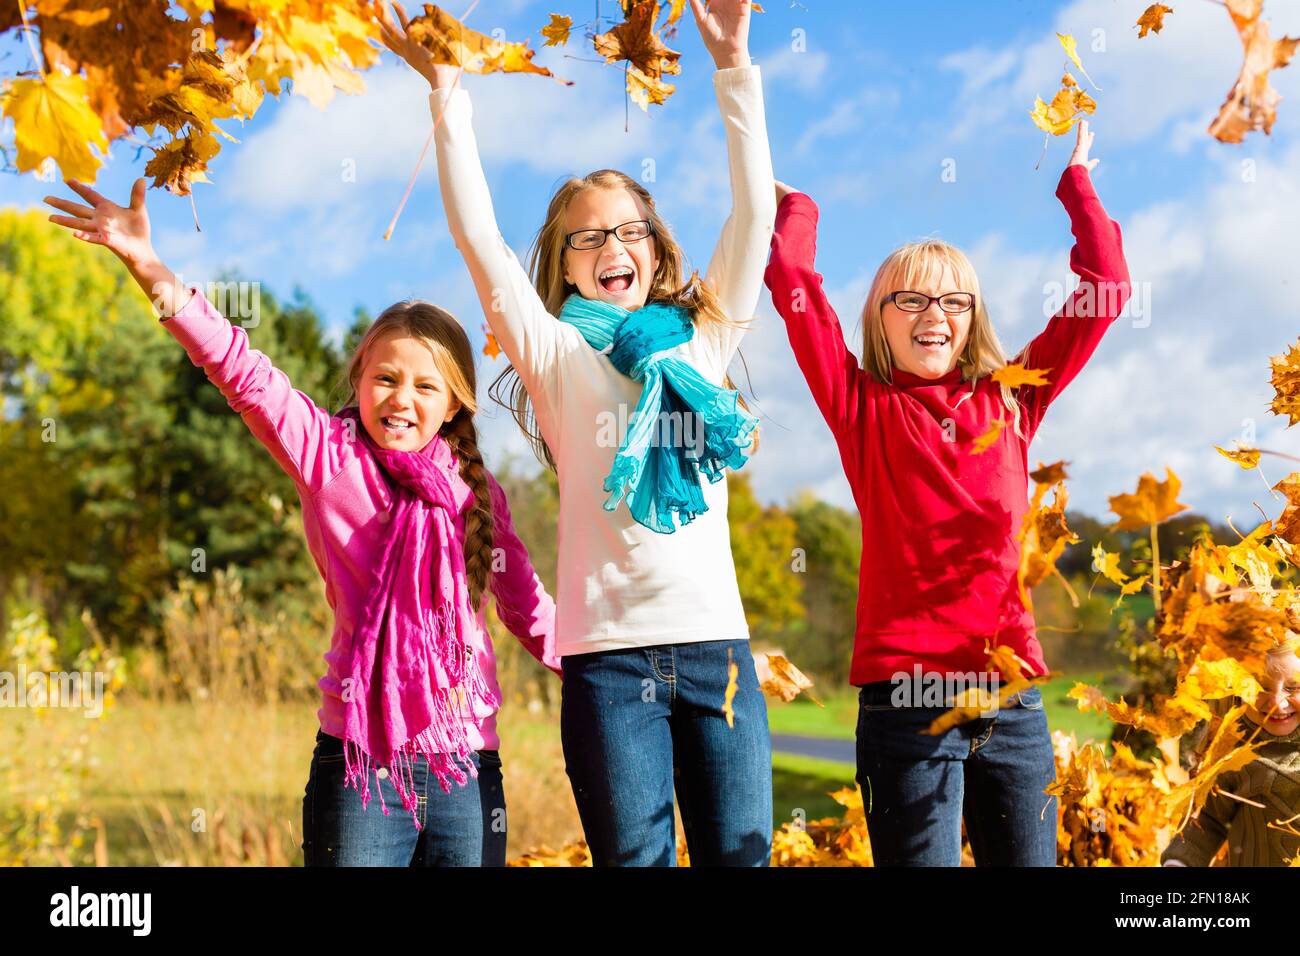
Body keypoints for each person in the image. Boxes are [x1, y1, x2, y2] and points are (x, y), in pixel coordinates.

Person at [43, 177, 560, 867]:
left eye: (425, 386)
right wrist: (147, 265)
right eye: (386, 378)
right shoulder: (328, 456)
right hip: (360, 768)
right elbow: (240, 369)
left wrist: (611, 668)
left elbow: (530, 611)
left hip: (468, 769)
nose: (401, 399)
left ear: (454, 405)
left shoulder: (476, 492)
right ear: (359, 378)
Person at [377, 0, 776, 865]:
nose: (611, 245)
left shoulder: (704, 344)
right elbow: (480, 239)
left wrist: (733, 70)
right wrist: (448, 93)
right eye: (588, 237)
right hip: (607, 669)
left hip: (720, 654)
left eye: (628, 229)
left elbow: (753, 223)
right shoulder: (556, 358)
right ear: (564, 266)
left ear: (655, 249)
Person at [763, 120, 1131, 866]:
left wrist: (1079, 185)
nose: (934, 315)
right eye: (911, 301)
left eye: (954, 302)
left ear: (972, 319)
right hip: (906, 702)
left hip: (1012, 700)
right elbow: (794, 289)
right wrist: (799, 208)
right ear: (878, 319)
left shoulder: (1015, 401)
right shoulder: (861, 407)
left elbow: (1108, 289)